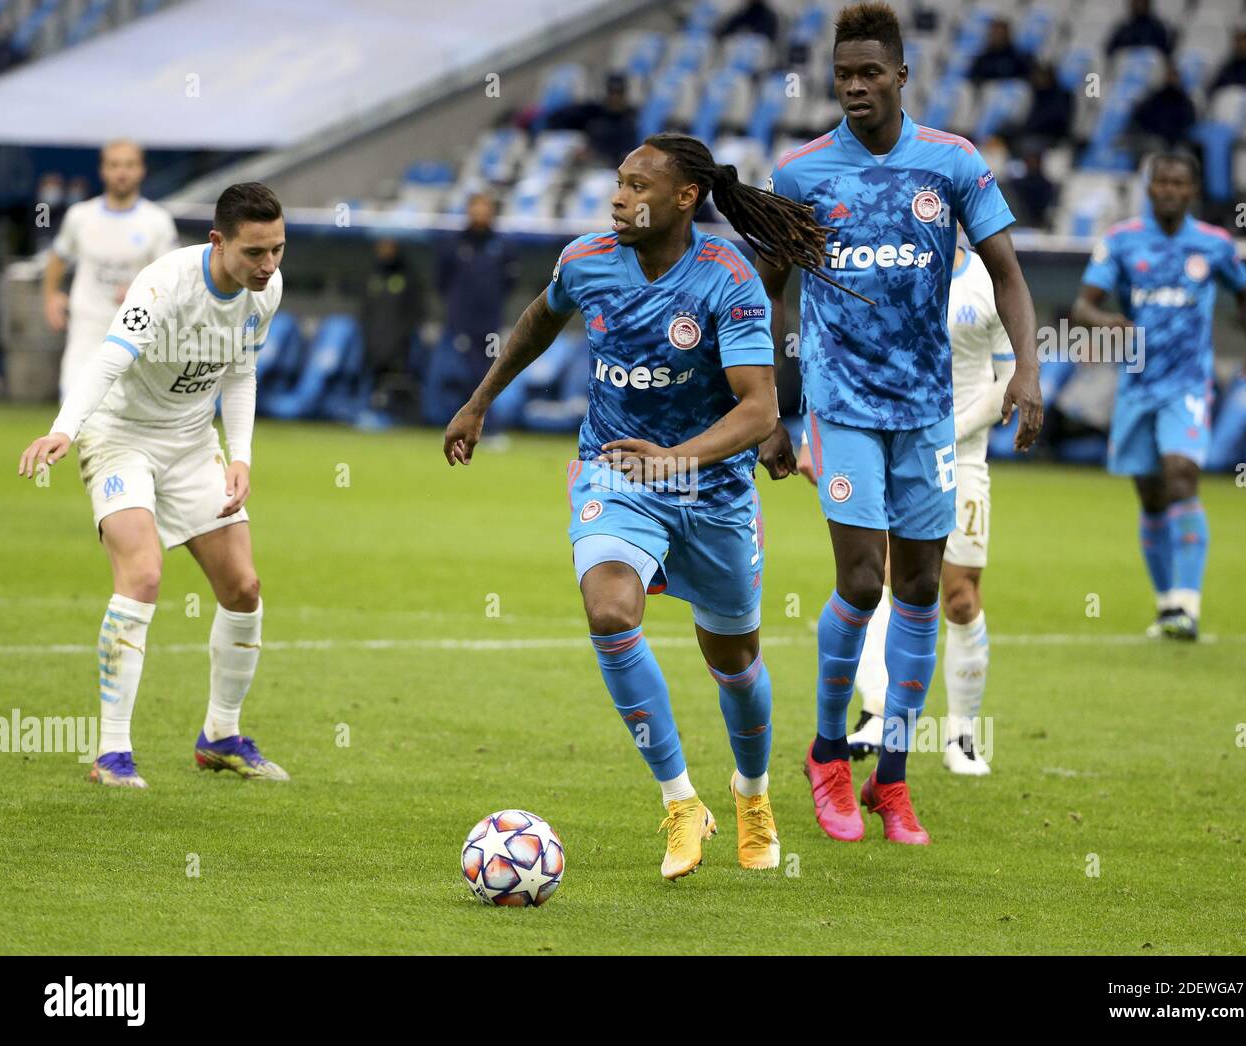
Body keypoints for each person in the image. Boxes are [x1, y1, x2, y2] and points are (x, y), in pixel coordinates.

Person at [443, 133, 828, 880]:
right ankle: (682, 804)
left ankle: (751, 797)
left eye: (636, 186)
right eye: (616, 183)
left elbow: (757, 411)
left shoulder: (729, 278)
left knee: (735, 661)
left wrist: (679, 459)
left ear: (685, 198)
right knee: (612, 614)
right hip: (615, 474)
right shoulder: (586, 261)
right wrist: (479, 401)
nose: (619, 197)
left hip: (711, 491)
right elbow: (537, 320)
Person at [757, 1, 1043, 845]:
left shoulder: (950, 164)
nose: (853, 87)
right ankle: (825, 756)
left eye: (868, 73)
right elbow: (769, 291)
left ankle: (893, 778)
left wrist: (1026, 368)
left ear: (901, 76)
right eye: (842, 75)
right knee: (861, 583)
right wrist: (776, 409)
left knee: (921, 588)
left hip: (928, 416)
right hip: (842, 409)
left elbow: (1011, 278)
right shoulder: (802, 174)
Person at [17, 183, 289, 789]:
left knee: (244, 588)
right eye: (255, 253)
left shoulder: (263, 292)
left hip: (193, 444)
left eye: (278, 250)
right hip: (121, 436)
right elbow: (110, 360)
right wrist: (66, 428)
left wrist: (239, 456)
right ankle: (112, 755)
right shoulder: (164, 284)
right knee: (141, 576)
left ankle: (220, 736)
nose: (268, 266)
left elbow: (241, 372)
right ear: (218, 241)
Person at [1070, 151, 1246, 640]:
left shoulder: (1215, 245)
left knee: (1182, 475)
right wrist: (1105, 320)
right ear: (1149, 188)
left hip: (1188, 384)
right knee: (1152, 494)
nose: (1170, 191)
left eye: (1179, 183)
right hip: (1137, 384)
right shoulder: (1121, 241)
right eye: (1161, 183)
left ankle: (1188, 605)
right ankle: (1166, 607)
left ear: (1193, 191)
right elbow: (1082, 306)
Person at [841, 243, 1016, 774]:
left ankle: (961, 735)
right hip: (891, 448)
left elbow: (1009, 376)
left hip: (960, 457)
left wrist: (946, 433)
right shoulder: (890, 266)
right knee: (880, 580)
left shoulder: (992, 278)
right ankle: (876, 714)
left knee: (958, 596)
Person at [43, 140, 178, 398]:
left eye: (129, 165)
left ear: (141, 170)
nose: (121, 172)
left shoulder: (157, 221)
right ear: (103, 170)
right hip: (87, 328)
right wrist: (51, 296)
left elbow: (172, 276)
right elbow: (58, 257)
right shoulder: (80, 216)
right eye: (114, 165)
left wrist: (140, 290)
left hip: (136, 331)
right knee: (74, 405)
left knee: (129, 416)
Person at [428, 192, 518, 426]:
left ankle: (490, 427)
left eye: (484, 208)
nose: (480, 213)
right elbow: (442, 282)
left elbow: (509, 283)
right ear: (468, 210)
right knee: (462, 374)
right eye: (476, 207)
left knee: (489, 375)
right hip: (461, 324)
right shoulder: (453, 244)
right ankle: (458, 425)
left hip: (489, 325)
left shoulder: (503, 245)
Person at [360, 237, 424, 421]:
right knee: (373, 380)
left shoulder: (408, 277)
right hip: (374, 343)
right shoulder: (372, 275)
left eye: (389, 246)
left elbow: (416, 312)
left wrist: (400, 337)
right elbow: (365, 311)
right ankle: (372, 415)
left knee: (396, 380)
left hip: (399, 345)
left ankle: (396, 417)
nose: (385, 250)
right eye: (382, 246)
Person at [1131, 65, 1196, 149]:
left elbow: (1188, 121)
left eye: (1173, 77)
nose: (1171, 79)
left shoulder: (1184, 101)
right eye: (1169, 76)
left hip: (1177, 141)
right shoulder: (1154, 98)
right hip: (1154, 139)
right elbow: (1141, 117)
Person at [968, 18, 1033, 83]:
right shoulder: (982, 59)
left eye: (1002, 33)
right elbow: (974, 79)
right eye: (996, 33)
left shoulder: (1019, 57)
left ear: (1008, 34)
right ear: (990, 35)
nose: (999, 37)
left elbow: (1027, 79)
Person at [1105, 0, 1172, 57]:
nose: (1139, 5)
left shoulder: (1157, 29)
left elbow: (1166, 54)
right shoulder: (1123, 29)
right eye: (1136, 1)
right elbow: (1110, 52)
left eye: (1142, 1)